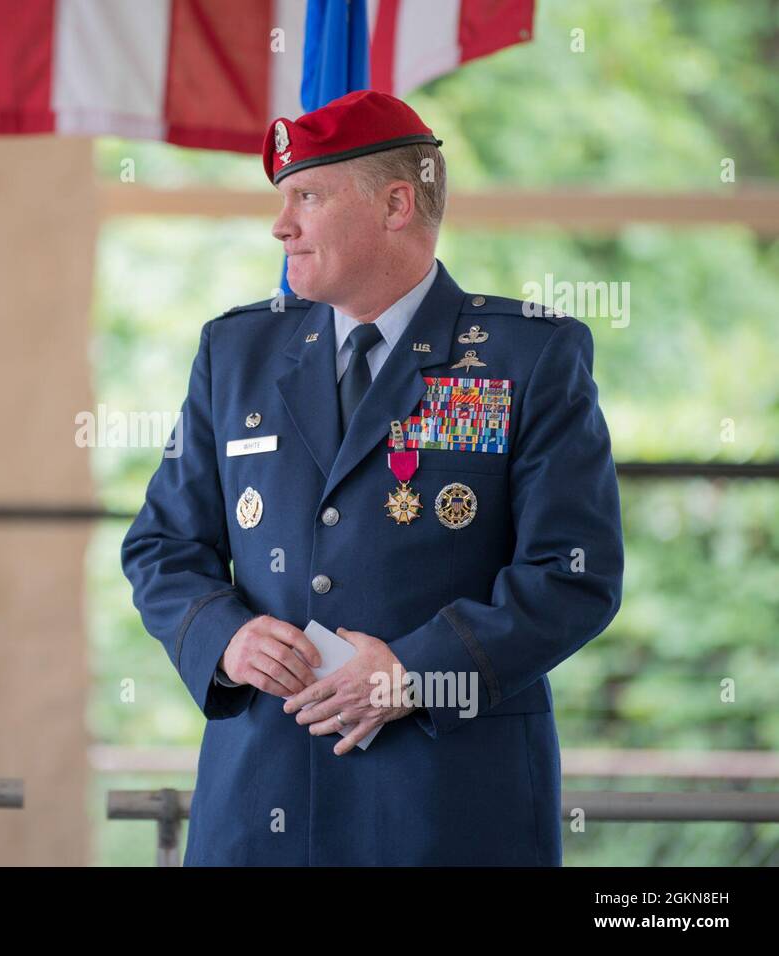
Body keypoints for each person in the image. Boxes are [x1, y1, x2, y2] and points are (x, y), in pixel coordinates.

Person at [120, 90, 623, 865]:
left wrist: (414, 674)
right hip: (262, 799)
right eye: (282, 199)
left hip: (446, 806)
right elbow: (161, 545)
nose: (281, 224)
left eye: (308, 197)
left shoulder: (529, 357)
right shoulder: (238, 353)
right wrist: (226, 637)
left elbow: (574, 575)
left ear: (396, 203)